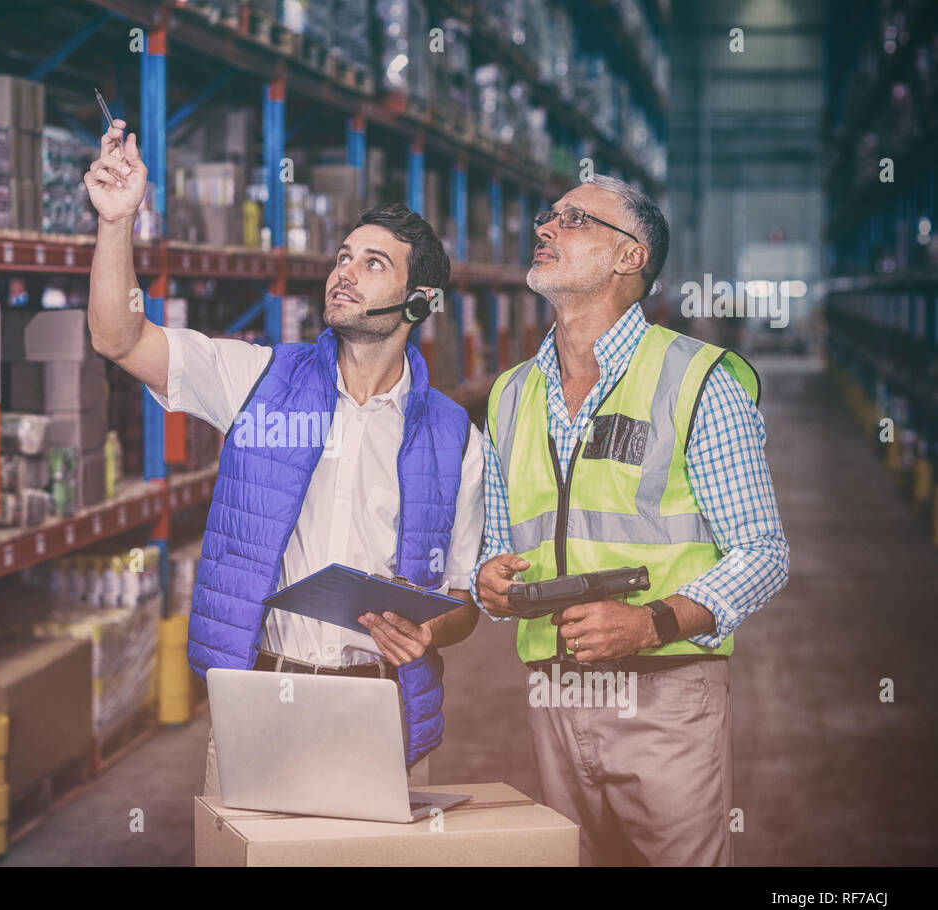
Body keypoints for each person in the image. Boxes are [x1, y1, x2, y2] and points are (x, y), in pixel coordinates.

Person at [84, 119, 484, 797]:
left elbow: (464, 601)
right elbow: (120, 338)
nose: (344, 275)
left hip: (380, 706)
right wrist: (118, 223)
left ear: (420, 302)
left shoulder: (455, 439)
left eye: (372, 264)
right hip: (261, 693)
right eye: (343, 257)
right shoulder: (259, 379)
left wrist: (428, 629)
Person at [474, 174, 790, 866]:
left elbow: (763, 552)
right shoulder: (510, 394)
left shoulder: (697, 380)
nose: (546, 229)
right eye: (548, 216)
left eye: (575, 220)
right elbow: (498, 544)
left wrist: (652, 622)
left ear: (629, 258)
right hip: (554, 689)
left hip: (666, 694)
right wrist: (488, 583)